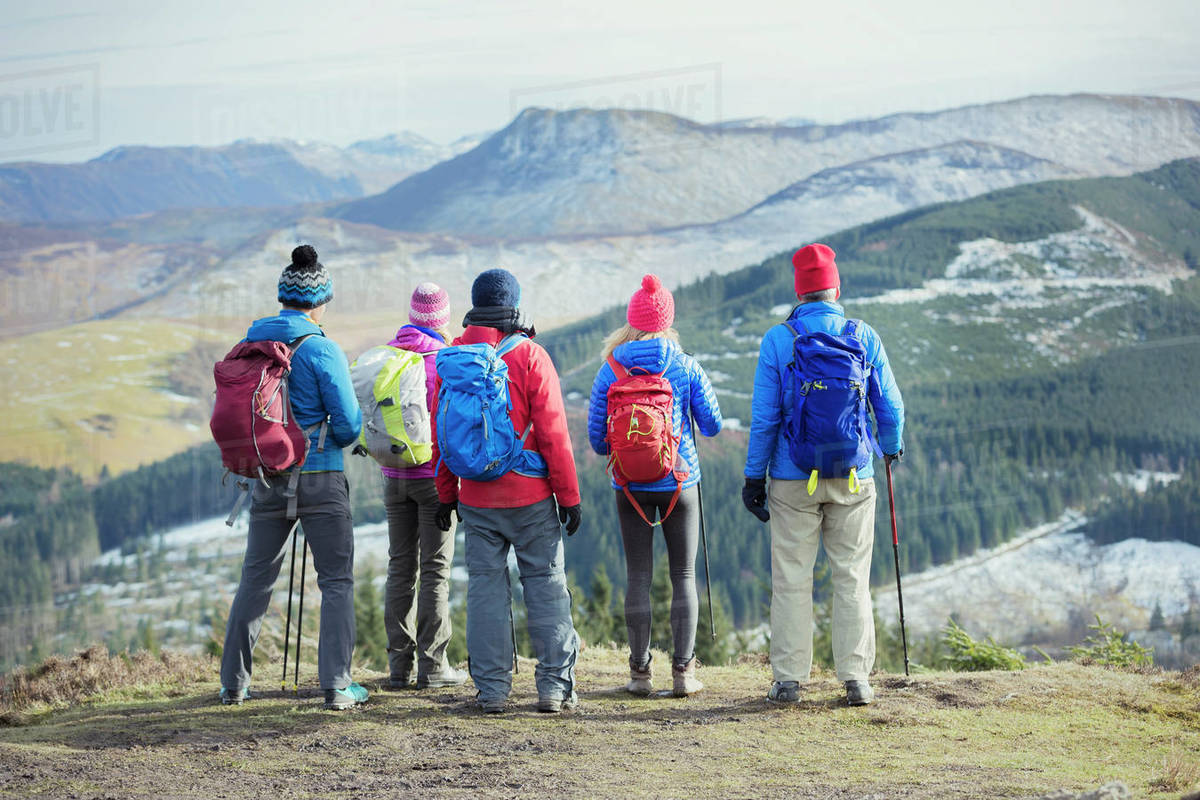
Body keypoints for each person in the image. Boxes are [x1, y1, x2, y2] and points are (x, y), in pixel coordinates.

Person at [741, 243, 904, 707]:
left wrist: (755, 478)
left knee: (792, 577)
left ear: (800, 291)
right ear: (836, 288)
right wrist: (891, 448)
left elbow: (766, 419)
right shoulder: (863, 335)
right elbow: (889, 406)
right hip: (854, 476)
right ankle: (856, 680)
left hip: (794, 478)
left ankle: (789, 680)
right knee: (851, 576)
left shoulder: (779, 340)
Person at [219, 244, 367, 711]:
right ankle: (338, 687)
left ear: (283, 296)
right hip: (320, 477)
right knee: (337, 581)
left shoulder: (252, 345)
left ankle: (234, 684)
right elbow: (347, 426)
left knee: (256, 579)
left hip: (265, 477)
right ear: (321, 300)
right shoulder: (321, 348)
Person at [434, 268, 583, 714]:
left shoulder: (453, 357)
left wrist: (447, 494)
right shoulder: (531, 357)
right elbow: (555, 434)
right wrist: (569, 497)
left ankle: (493, 691)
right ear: (514, 307)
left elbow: (444, 435)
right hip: (532, 496)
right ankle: (554, 688)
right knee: (545, 584)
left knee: (485, 589)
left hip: (476, 498)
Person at [587, 274, 722, 697]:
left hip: (628, 486)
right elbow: (714, 425)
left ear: (631, 320)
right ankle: (683, 674)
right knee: (682, 574)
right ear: (667, 321)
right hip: (681, 483)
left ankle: (639, 675)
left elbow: (596, 440)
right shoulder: (684, 365)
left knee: (638, 576)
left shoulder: (610, 369)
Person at [379, 283, 468, 690]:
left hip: (393, 476)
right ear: (442, 319)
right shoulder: (443, 361)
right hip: (433, 479)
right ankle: (433, 666)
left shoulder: (389, 355)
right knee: (435, 569)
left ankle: (399, 666)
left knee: (400, 567)